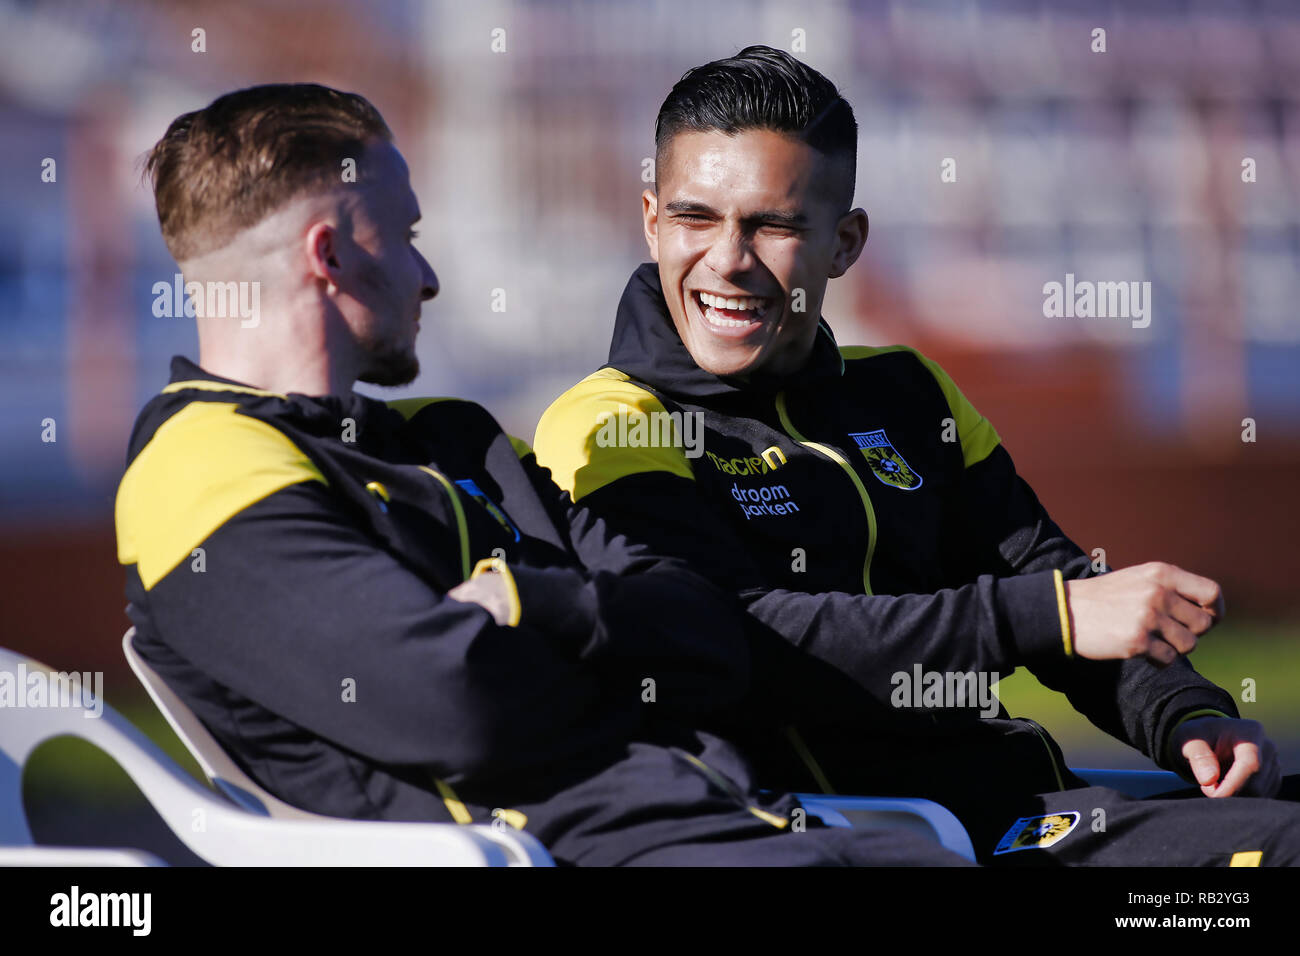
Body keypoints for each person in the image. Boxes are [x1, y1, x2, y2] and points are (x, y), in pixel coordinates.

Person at [113, 82, 978, 867]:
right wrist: (610, 646)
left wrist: (535, 605)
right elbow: (455, 703)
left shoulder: (454, 438)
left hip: (749, 828)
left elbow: (706, 634)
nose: (429, 278)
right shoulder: (198, 467)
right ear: (329, 256)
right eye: (407, 237)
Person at [532, 46, 1300, 865]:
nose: (727, 259)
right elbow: (735, 640)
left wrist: (1187, 714)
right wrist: (1048, 613)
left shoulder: (908, 391)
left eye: (774, 224)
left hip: (1013, 808)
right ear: (651, 220)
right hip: (864, 839)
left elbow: (1059, 583)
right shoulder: (608, 422)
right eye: (695, 218)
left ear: (846, 242)